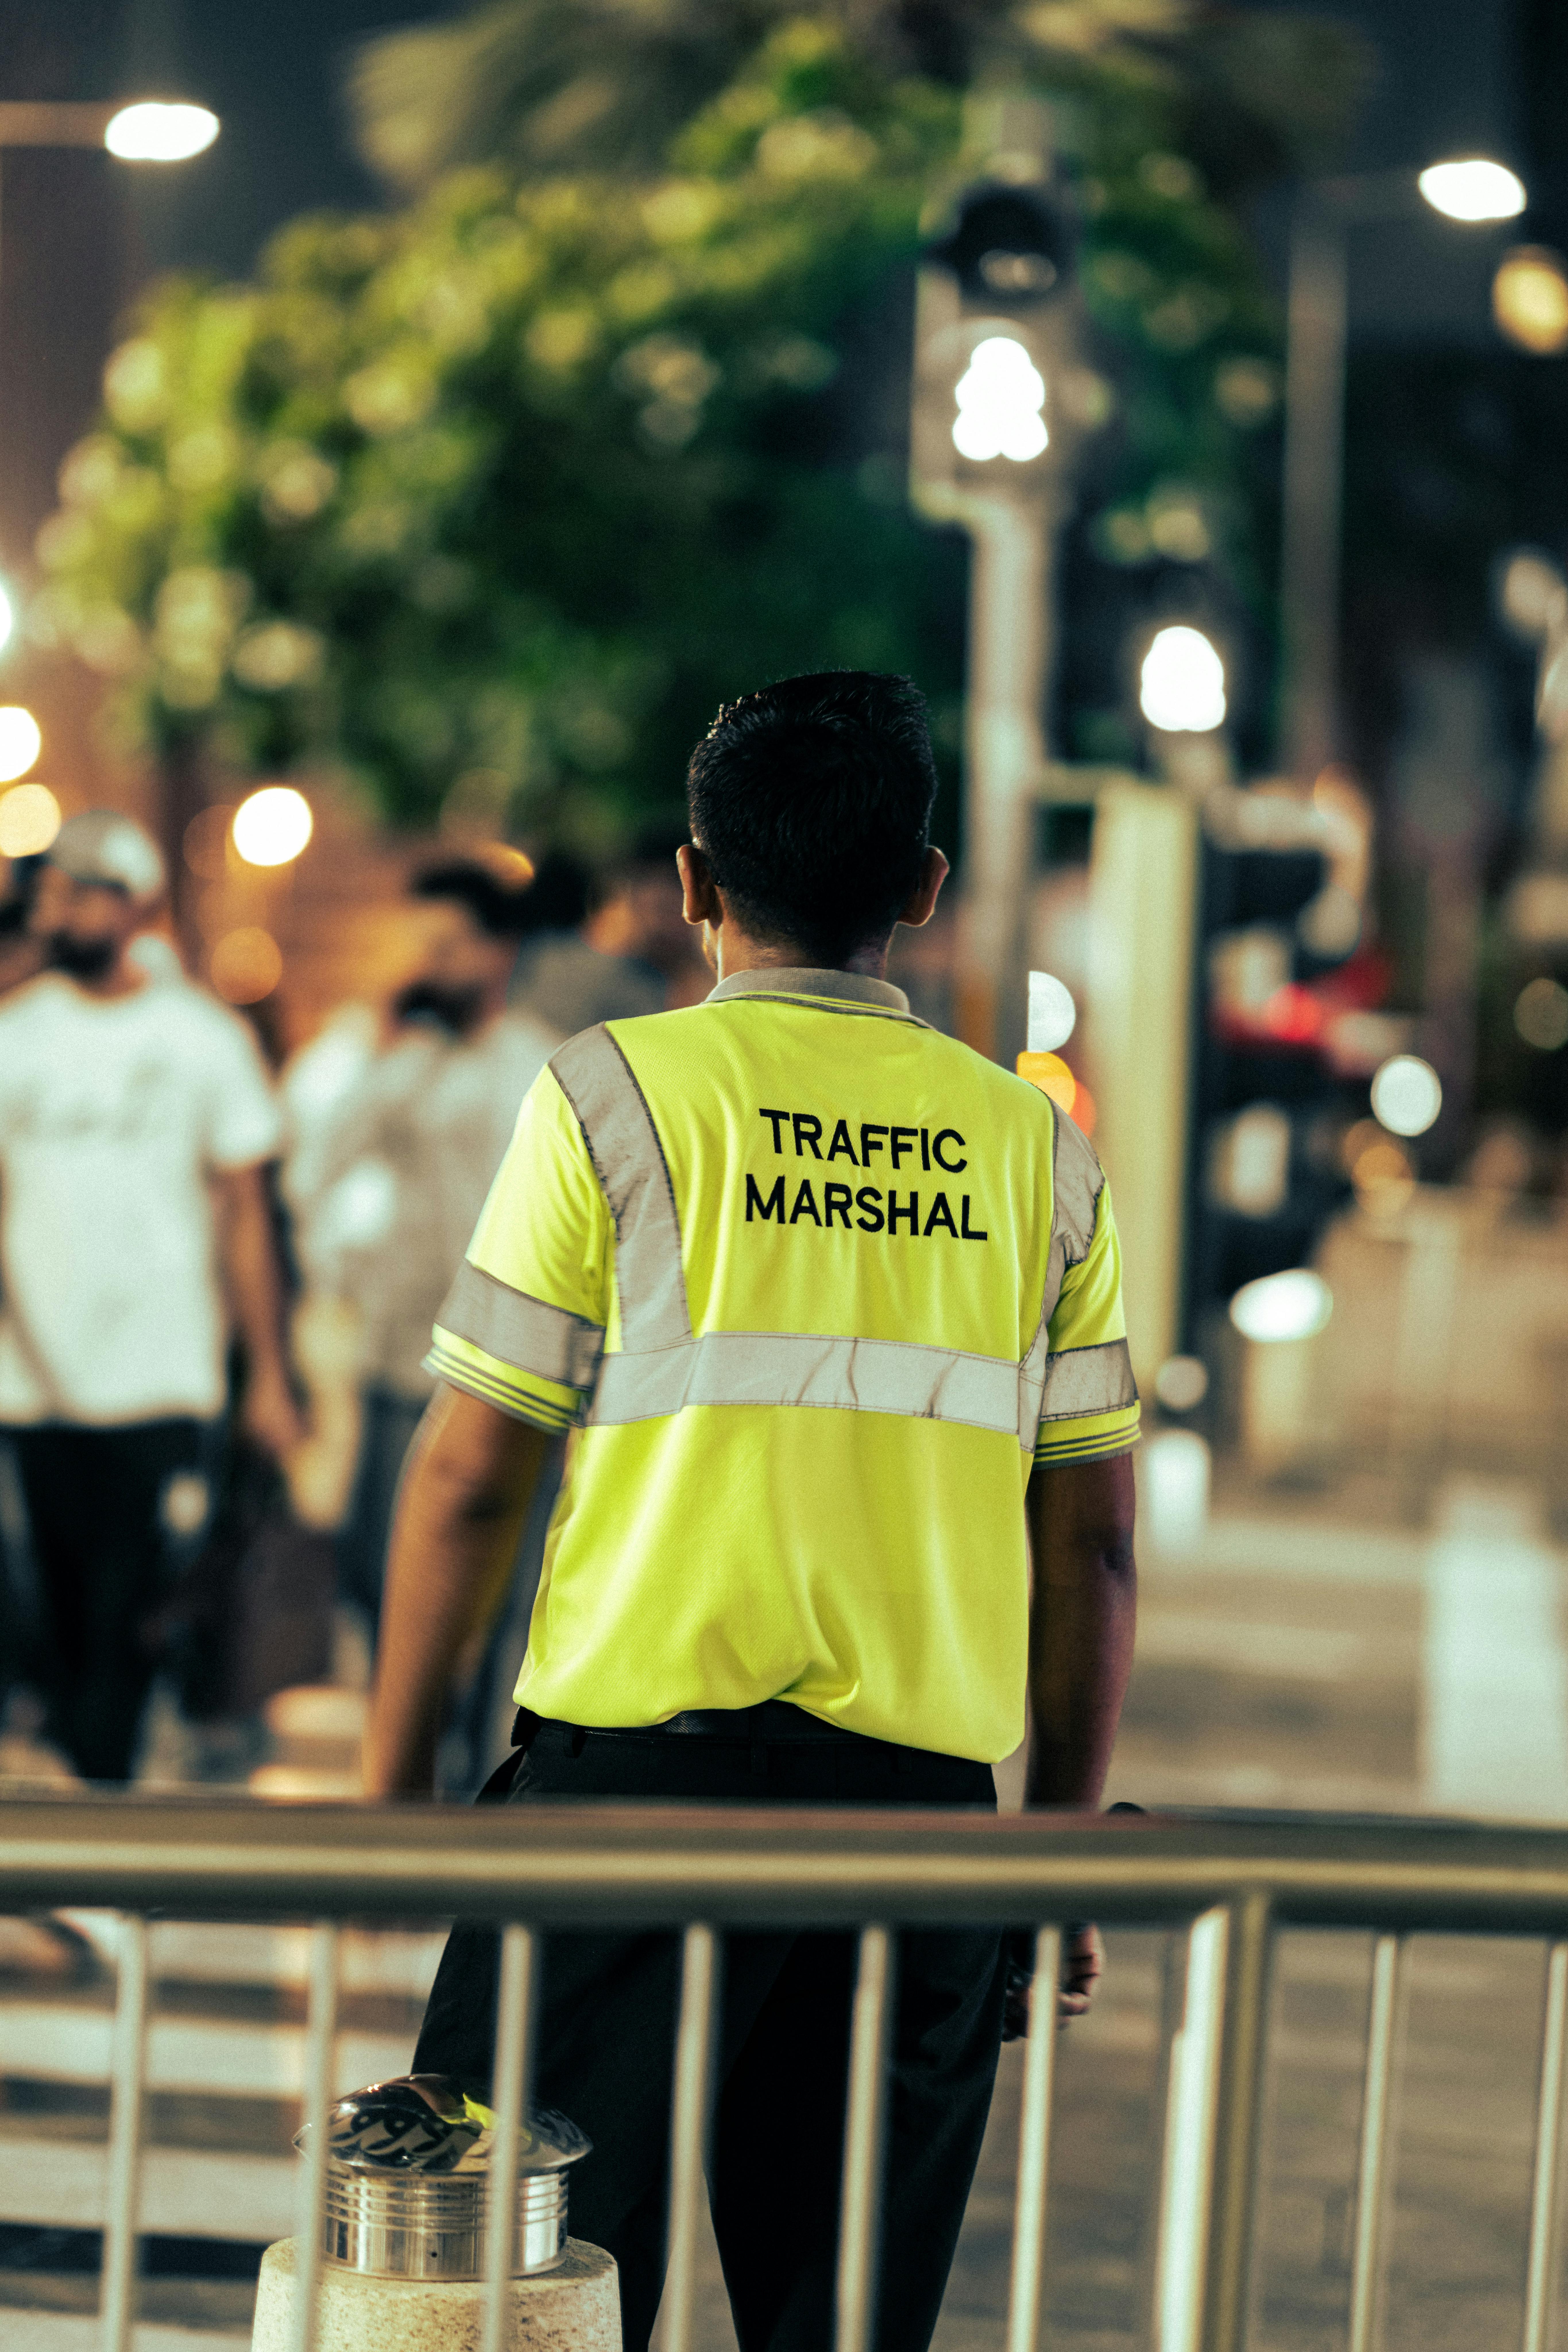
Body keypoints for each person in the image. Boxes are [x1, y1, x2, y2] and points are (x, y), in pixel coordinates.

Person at [366, 673, 1140, 2352]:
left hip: (622, 1820)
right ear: (923, 885)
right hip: (917, 1839)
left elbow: (470, 1473)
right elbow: (1091, 1542)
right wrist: (1058, 1852)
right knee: (842, 2321)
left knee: (528, 2310)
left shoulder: (610, 1095)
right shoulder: (1036, 1150)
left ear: (694, 880)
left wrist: (389, 1787)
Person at [0, 811, 305, 1782]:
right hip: (30, 1384)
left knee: (134, 1613)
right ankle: (88, 1796)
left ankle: (103, 1803)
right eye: (50, 893)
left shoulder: (202, 1040)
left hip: (161, 1374)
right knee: (50, 1617)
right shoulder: (15, 1034)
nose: (55, 911)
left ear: (136, 905)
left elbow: (247, 1216)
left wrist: (269, 1375)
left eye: (79, 893)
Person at [288, 856, 558, 1647]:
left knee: (498, 1599)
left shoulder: (543, 1067)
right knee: (381, 1581)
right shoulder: (404, 1065)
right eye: (420, 948)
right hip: (400, 1360)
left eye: (447, 947)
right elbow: (315, 1171)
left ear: (499, 952)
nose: (428, 967)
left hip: (510, 1373)